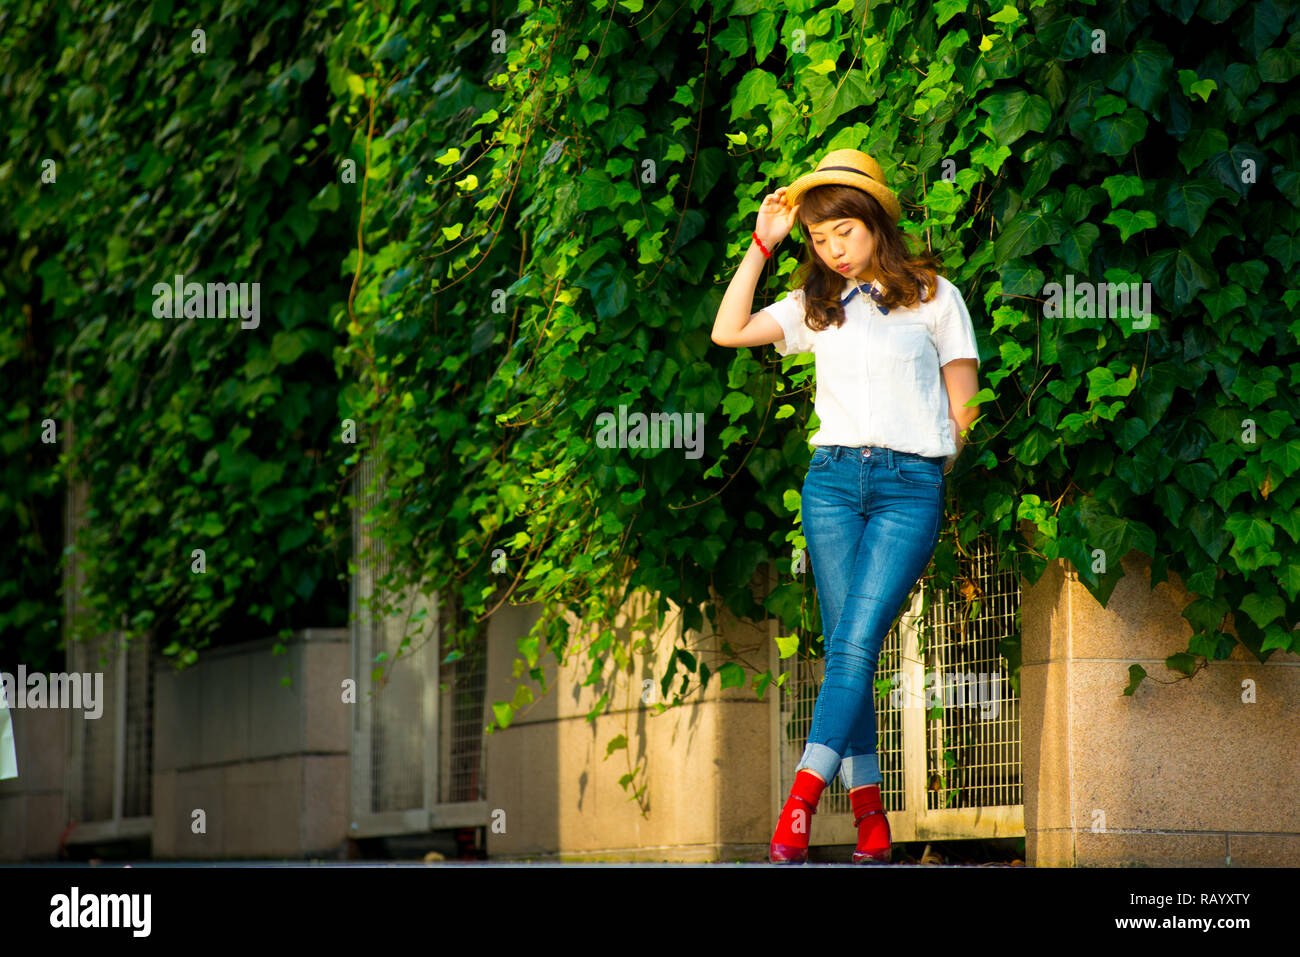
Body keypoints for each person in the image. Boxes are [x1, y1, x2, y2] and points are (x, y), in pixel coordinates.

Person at [710, 149, 982, 864]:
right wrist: (761, 245)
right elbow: (727, 330)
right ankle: (870, 817)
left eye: (845, 233)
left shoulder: (934, 295)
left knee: (856, 642)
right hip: (831, 485)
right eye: (820, 239)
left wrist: (934, 455)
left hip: (906, 489)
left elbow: (966, 400)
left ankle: (798, 802)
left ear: (877, 224)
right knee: (845, 650)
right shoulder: (815, 306)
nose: (834, 250)